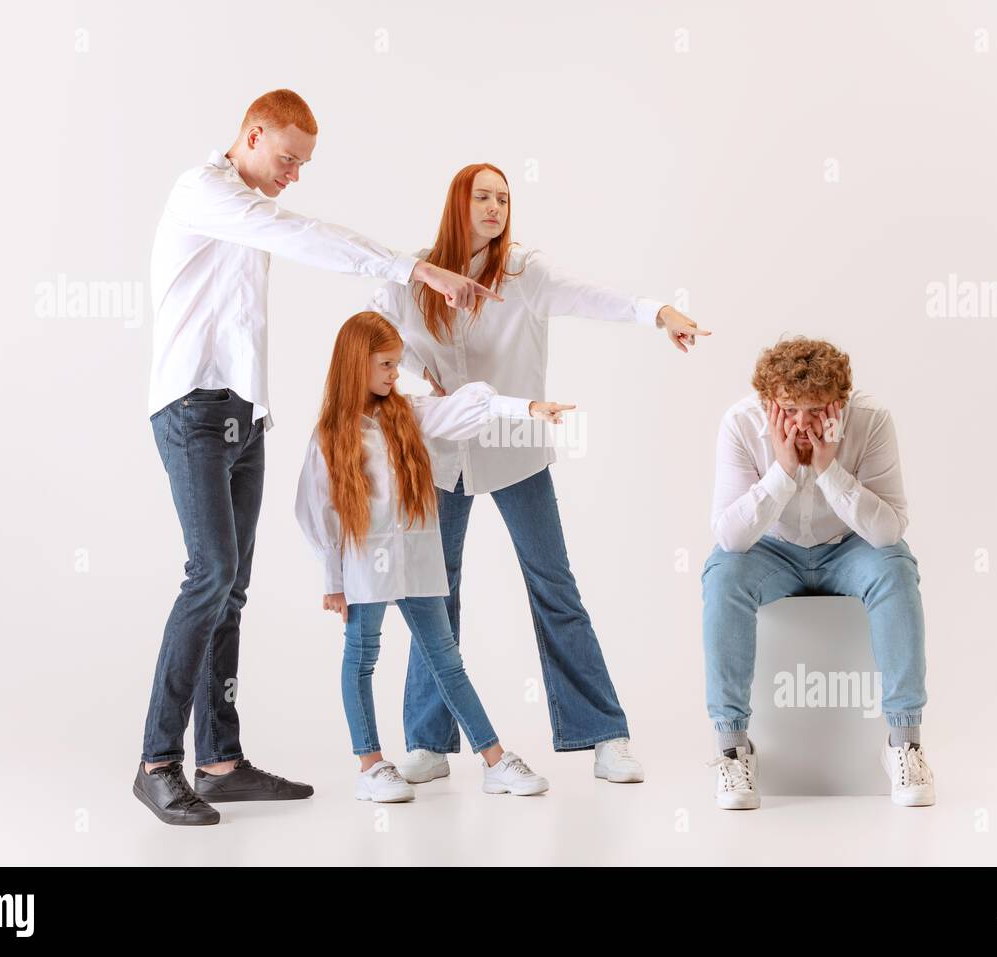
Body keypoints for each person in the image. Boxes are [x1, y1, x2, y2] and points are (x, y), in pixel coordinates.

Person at [135, 89, 495, 826]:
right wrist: (413, 268)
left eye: (304, 164)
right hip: (191, 411)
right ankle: (156, 761)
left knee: (230, 587)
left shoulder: (249, 206)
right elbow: (305, 237)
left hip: (243, 414)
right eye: (287, 158)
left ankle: (220, 761)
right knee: (208, 573)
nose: (294, 173)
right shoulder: (203, 191)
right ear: (252, 134)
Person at [368, 162, 710, 786]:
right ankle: (428, 741)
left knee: (554, 584)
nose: (496, 208)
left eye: (504, 198)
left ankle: (604, 734)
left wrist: (659, 312)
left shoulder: (527, 272)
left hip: (517, 448)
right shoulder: (416, 274)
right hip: (443, 455)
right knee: (432, 595)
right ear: (457, 203)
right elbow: (376, 328)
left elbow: (595, 298)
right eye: (483, 197)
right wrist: (419, 369)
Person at [295, 311, 571, 800]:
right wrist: (332, 580)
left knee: (447, 662)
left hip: (419, 562)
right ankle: (370, 764)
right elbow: (318, 511)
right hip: (365, 567)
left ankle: (494, 759)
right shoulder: (329, 436)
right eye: (384, 364)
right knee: (361, 659)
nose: (393, 374)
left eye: (397, 364)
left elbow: (471, 408)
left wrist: (527, 407)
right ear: (355, 364)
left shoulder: (411, 414)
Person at [701, 336, 935, 810]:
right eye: (789, 409)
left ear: (839, 403)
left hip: (850, 548)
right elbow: (729, 536)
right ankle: (732, 748)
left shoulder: (871, 420)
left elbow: (889, 531)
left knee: (896, 568)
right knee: (723, 575)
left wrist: (830, 471)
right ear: (769, 402)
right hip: (772, 550)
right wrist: (783, 472)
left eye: (817, 411)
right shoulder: (741, 423)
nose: (802, 425)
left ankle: (904, 743)